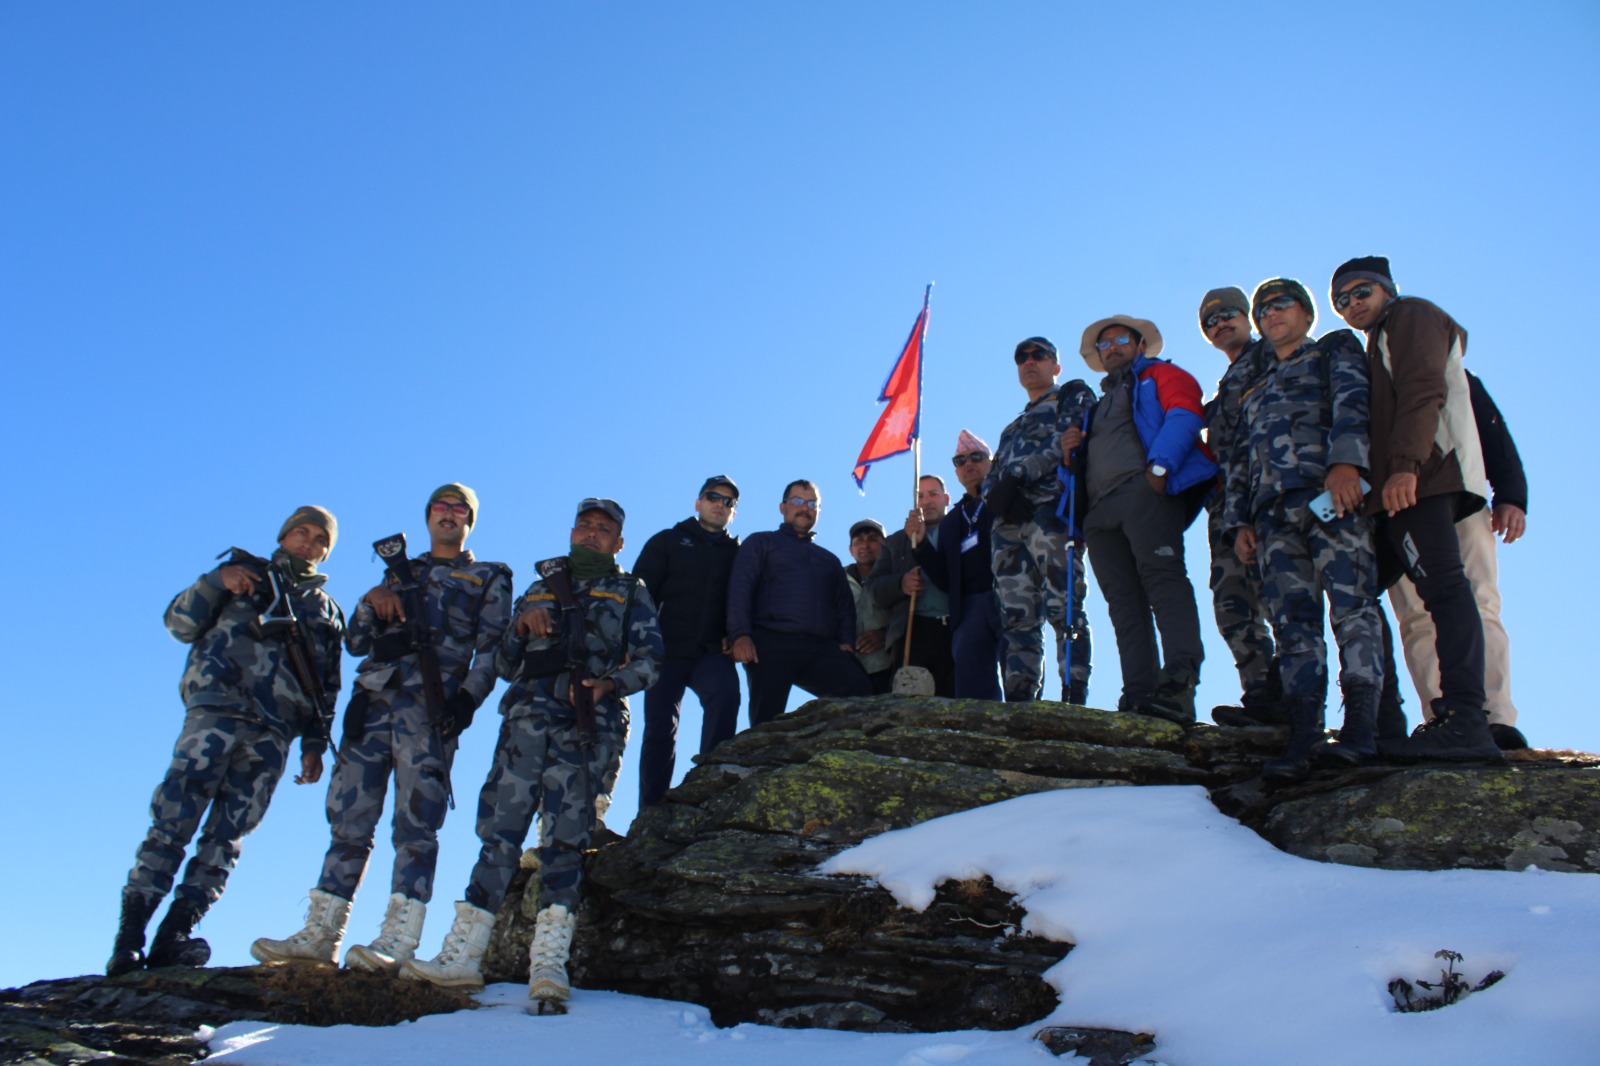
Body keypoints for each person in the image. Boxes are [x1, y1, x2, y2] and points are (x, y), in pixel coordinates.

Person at [401, 498, 662, 1010]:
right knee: (497, 836)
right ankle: (463, 956)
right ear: (571, 532)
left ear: (619, 542)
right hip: (525, 724)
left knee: (565, 843)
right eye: (585, 526)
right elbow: (500, 660)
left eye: (603, 529)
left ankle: (548, 963)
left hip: (589, 728)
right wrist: (523, 627)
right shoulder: (540, 587)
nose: (592, 534)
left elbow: (652, 662)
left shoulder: (631, 591)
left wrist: (608, 686)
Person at [252, 484, 514, 972]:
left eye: (461, 509)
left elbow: (492, 649)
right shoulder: (397, 572)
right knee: (348, 821)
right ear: (428, 515)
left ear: (469, 521)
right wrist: (371, 599)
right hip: (373, 706)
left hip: (431, 713)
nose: (450, 515)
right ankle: (321, 933)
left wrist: (466, 701)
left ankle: (398, 938)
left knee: (416, 825)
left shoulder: (488, 576)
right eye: (442, 506)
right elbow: (354, 641)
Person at [109, 507, 344, 977]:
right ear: (284, 534)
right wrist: (218, 581)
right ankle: (129, 937)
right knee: (172, 822)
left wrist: (315, 742)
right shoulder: (239, 573)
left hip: (273, 734)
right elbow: (179, 624)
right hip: (216, 713)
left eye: (320, 539)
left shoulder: (325, 610)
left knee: (227, 839)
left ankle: (174, 935)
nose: (309, 543)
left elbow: (327, 684)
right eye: (302, 531)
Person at [1330, 256, 1501, 762]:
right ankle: (1387, 724)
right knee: (1358, 589)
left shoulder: (1411, 317)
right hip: (1394, 492)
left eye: (1362, 292)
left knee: (1445, 590)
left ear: (1387, 290)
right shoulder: (1378, 336)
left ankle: (1468, 718)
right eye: (1341, 300)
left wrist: (1406, 464)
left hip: (1423, 481)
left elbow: (1425, 388)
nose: (1352, 304)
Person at [1225, 279, 1384, 779]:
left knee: (1353, 607)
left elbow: (1354, 406)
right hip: (1272, 516)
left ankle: (1362, 727)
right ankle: (1304, 735)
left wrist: (1347, 465)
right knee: (1293, 625)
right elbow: (1238, 457)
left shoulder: (1331, 352)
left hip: (1330, 497)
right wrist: (1240, 521)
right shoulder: (1255, 384)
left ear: (1306, 313)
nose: (1270, 314)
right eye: (1262, 309)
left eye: (1281, 304)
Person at [1069, 316, 1213, 723]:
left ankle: (1179, 682)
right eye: (1104, 344)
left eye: (1119, 339)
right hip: (1100, 513)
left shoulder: (1159, 375)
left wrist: (1160, 469)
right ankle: (1138, 693)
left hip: (1144, 490)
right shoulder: (1095, 409)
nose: (1111, 347)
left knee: (1162, 581)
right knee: (1123, 604)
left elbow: (1185, 413)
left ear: (1140, 344)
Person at [1388, 370, 1529, 750]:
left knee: (1481, 602)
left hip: (1464, 496)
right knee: (1416, 617)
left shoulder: (1451, 371)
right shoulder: (1364, 373)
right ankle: (1441, 717)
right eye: (1343, 303)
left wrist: (1511, 495)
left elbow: (1492, 430)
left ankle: (1497, 718)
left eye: (1359, 302)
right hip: (1397, 508)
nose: (1353, 305)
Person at [982, 337, 1095, 703]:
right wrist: (997, 497)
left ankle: (1073, 691)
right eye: (1022, 358)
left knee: (1065, 606)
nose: (1029, 362)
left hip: (1051, 513)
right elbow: (991, 477)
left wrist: (1019, 477)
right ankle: (1019, 697)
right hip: (1008, 526)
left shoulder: (1069, 396)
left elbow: (1070, 439)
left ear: (1055, 366)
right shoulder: (1011, 428)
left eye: (1039, 356)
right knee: (1017, 617)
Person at [1196, 287, 1283, 727]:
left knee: (1282, 599)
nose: (1220, 324)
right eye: (1210, 321)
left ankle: (1297, 697)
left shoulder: (1272, 357)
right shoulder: (1224, 386)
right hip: (1226, 512)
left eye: (1228, 314)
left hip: (1270, 501)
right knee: (1232, 604)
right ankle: (1262, 693)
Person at [632, 475, 743, 806]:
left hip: (711, 652)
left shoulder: (738, 553)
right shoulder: (666, 541)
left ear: (733, 512)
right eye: (713, 497)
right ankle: (651, 811)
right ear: (698, 502)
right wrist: (633, 644)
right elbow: (638, 594)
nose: (720, 504)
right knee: (659, 730)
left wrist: (736, 634)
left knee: (726, 697)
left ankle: (708, 792)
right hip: (664, 650)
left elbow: (746, 598)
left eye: (729, 502)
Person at [726, 479, 872, 724]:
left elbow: (844, 606)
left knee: (860, 690)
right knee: (766, 719)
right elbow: (740, 589)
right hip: (770, 642)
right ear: (782, 507)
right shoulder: (761, 543)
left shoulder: (829, 560)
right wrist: (740, 635)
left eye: (812, 503)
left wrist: (846, 641)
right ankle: (760, 762)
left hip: (819, 646)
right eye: (797, 501)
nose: (805, 507)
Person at [911, 431, 1005, 700]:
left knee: (1020, 668)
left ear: (991, 461)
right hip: (969, 606)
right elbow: (944, 578)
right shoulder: (953, 521)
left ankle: (1025, 731)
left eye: (977, 457)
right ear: (956, 471)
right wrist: (920, 546)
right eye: (960, 460)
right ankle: (980, 735)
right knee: (971, 678)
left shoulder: (1006, 497)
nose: (968, 464)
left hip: (1010, 595)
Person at [867, 474, 957, 696]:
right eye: (920, 496)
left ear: (946, 498)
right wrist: (901, 584)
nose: (927, 501)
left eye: (933, 494)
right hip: (912, 630)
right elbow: (874, 590)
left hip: (957, 630)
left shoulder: (960, 532)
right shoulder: (896, 542)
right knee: (908, 703)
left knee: (955, 702)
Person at [844, 519, 895, 693]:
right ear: (851, 550)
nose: (865, 545)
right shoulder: (836, 579)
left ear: (885, 545)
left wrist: (885, 636)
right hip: (847, 669)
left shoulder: (897, 577)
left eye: (873, 538)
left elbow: (910, 615)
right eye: (859, 540)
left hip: (889, 666)